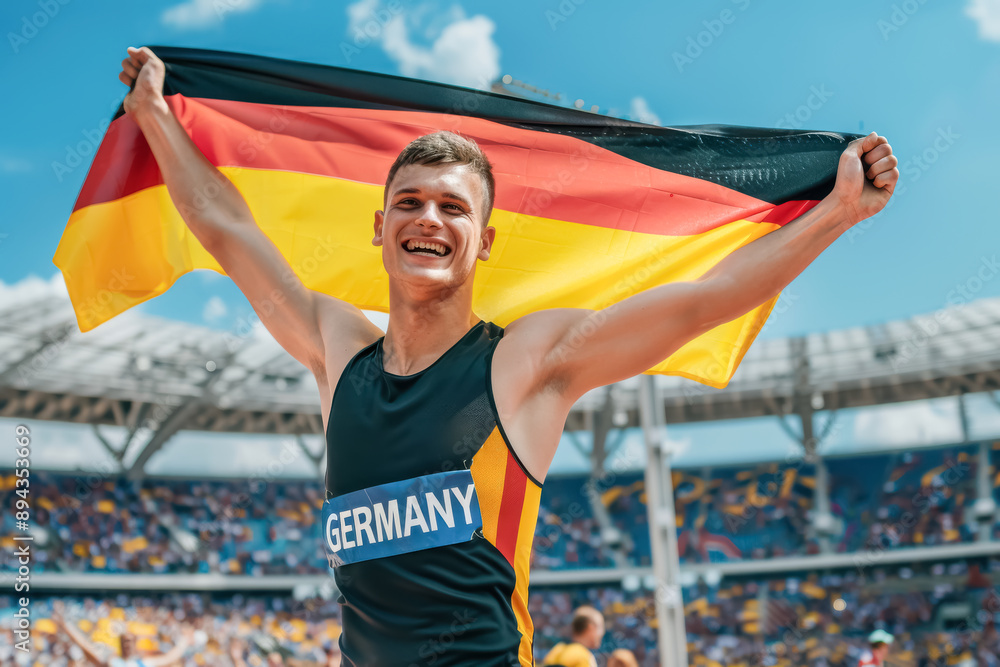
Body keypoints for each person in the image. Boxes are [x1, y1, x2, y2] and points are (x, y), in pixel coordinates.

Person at [117, 46, 898, 667]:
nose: (430, 219)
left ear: (483, 240)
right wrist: (154, 116)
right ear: (380, 226)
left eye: (454, 206)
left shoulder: (524, 363)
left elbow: (703, 300)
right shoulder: (337, 351)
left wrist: (836, 214)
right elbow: (227, 228)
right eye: (411, 202)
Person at [52, 600, 193, 667]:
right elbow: (86, 647)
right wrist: (66, 626)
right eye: (125, 641)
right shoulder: (114, 663)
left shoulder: (141, 663)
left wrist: (184, 642)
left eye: (130, 641)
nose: (128, 645)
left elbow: (169, 657)